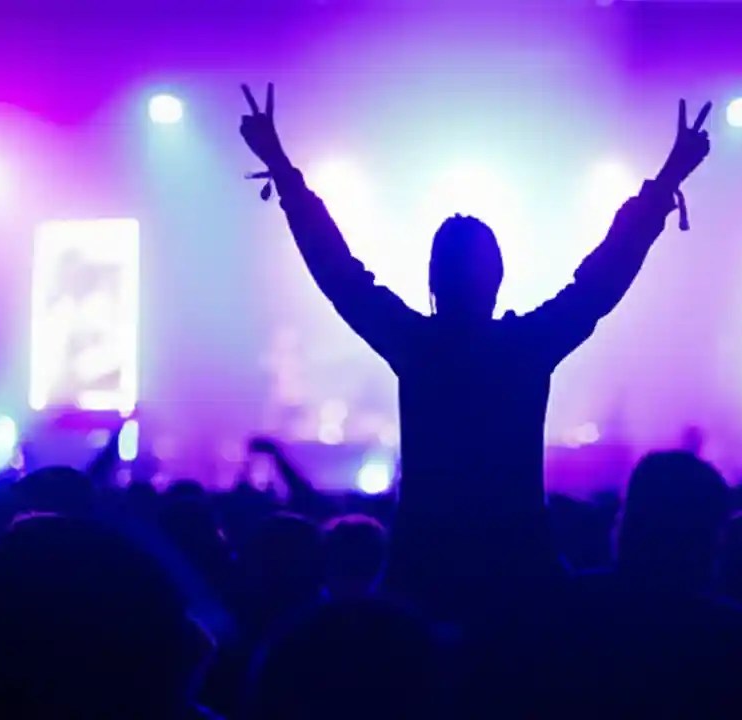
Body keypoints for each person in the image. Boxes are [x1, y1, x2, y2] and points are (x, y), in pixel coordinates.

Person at [239, 83, 713, 603]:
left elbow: (338, 272)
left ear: (434, 280)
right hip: (519, 569)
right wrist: (668, 177)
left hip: (423, 568)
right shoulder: (527, 346)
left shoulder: (417, 346)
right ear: (497, 278)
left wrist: (283, 169)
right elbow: (602, 278)